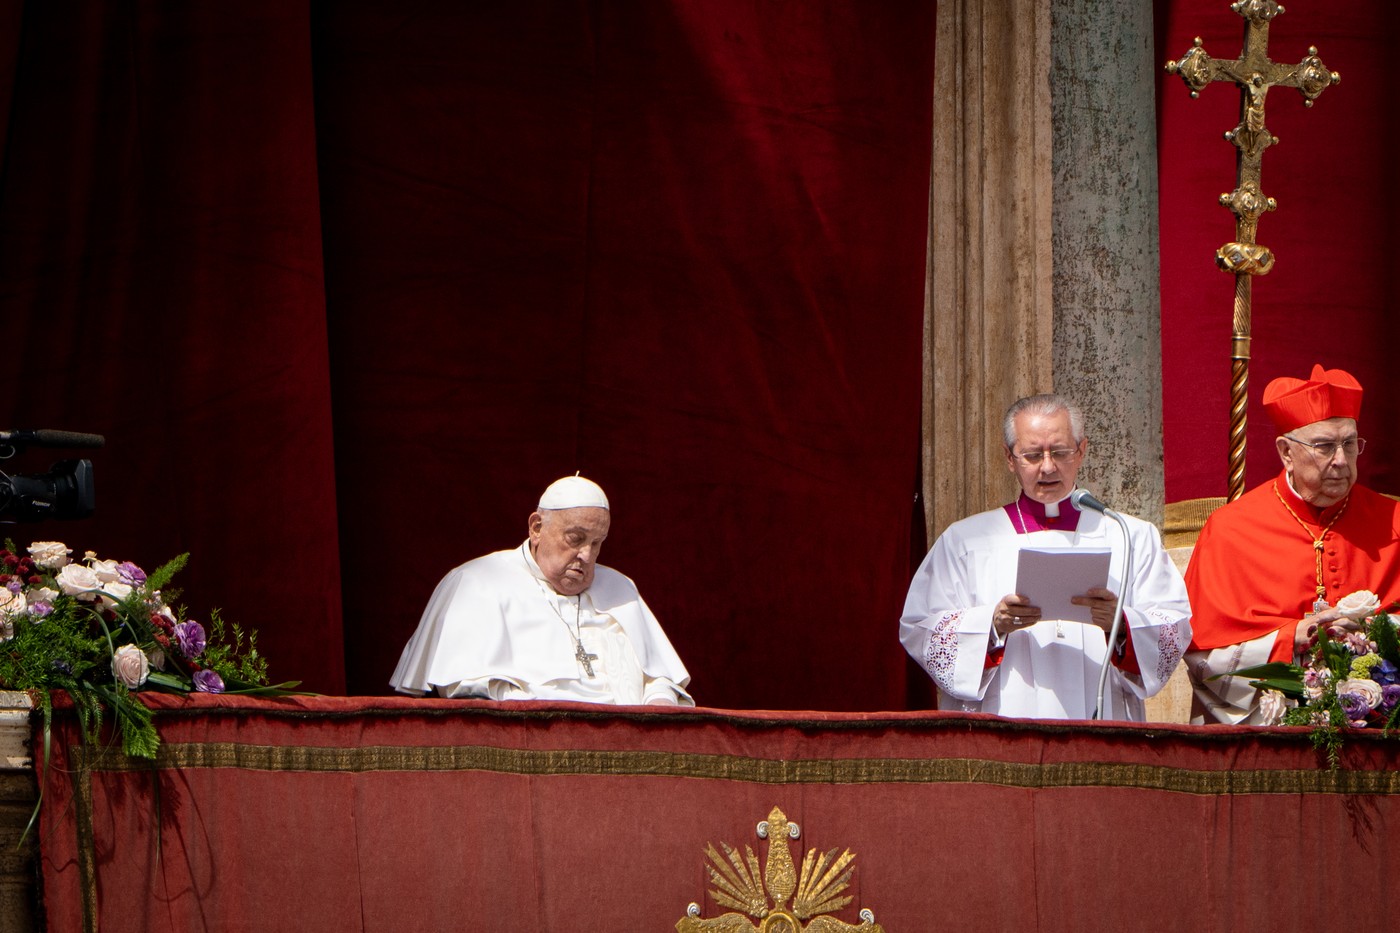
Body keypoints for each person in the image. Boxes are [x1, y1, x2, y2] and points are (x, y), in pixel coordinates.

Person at [900, 394, 1191, 720]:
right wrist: (992, 627)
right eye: (1033, 455)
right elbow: (920, 627)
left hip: (1104, 717)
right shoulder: (965, 540)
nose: (1048, 466)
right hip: (1006, 718)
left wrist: (1121, 626)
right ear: (1010, 458)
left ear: (1081, 451)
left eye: (1061, 452)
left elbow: (1173, 628)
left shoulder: (1130, 536)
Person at [1186, 364, 1400, 724]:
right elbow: (1203, 658)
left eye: (1350, 444)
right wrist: (1293, 638)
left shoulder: (1393, 520)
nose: (1341, 460)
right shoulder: (1229, 530)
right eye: (1324, 446)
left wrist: (1375, 641)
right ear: (1286, 452)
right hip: (1269, 732)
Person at [391, 475, 693, 705]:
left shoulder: (620, 588)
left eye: (597, 543)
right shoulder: (478, 582)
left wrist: (658, 709)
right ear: (536, 528)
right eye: (576, 539)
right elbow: (467, 686)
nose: (586, 556)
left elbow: (661, 679)